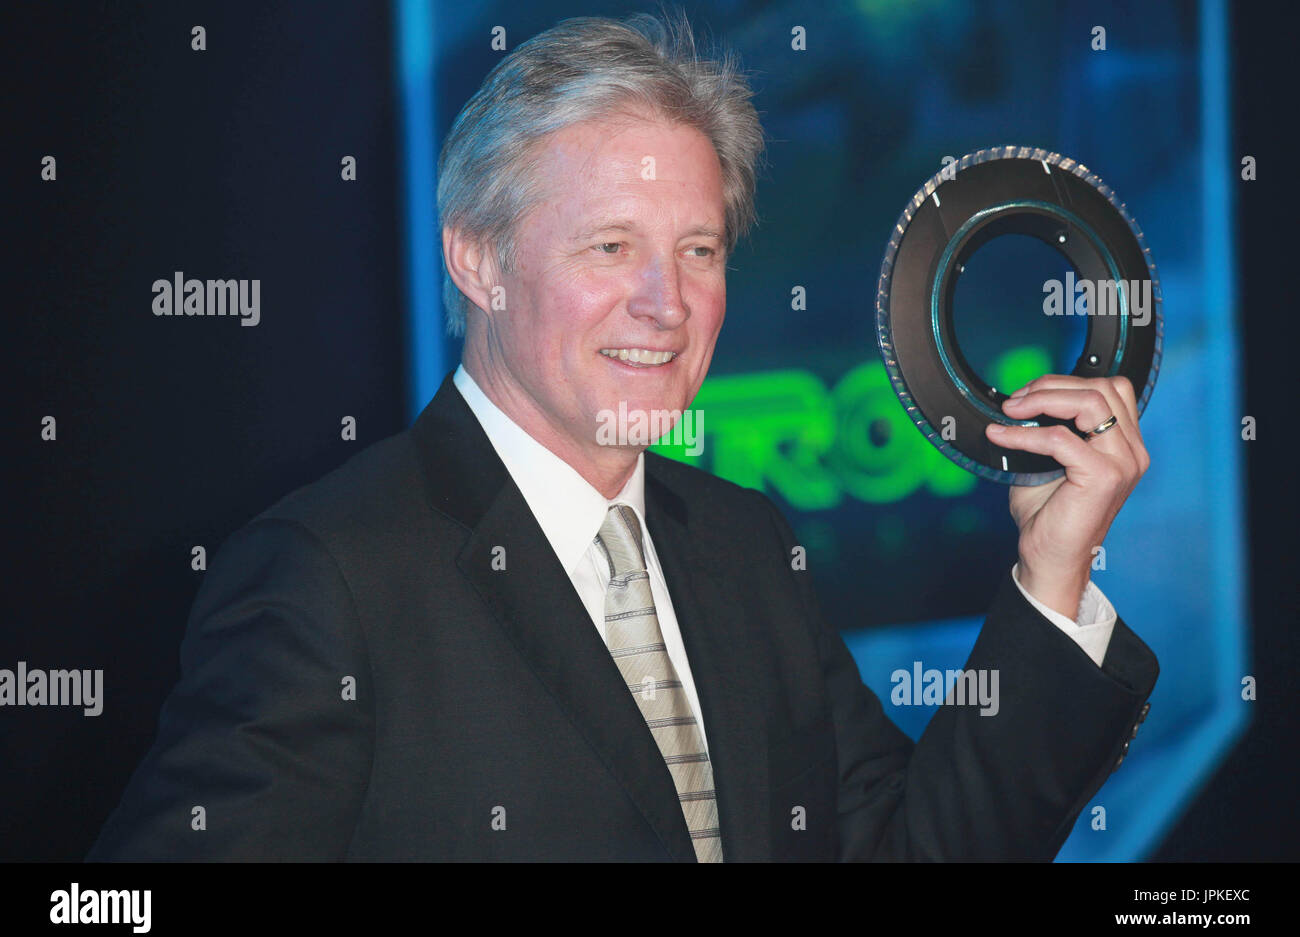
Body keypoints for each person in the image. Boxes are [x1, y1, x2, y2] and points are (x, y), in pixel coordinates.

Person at [87, 12, 1157, 863]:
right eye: (610, 246)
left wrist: (1051, 571)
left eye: (697, 249)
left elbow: (907, 849)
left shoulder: (744, 547)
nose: (666, 304)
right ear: (478, 260)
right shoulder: (329, 576)